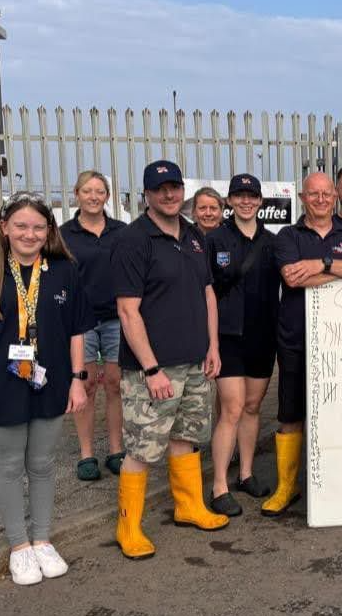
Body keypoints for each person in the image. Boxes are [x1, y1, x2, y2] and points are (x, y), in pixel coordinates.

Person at [0, 192, 94, 585]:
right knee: (9, 466)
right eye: (20, 226)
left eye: (37, 227)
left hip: (51, 381)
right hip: (0, 384)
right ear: (4, 228)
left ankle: (42, 539)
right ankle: (19, 545)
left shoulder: (65, 272)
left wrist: (78, 380)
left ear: (49, 231)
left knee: (43, 464)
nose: (29, 234)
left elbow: (77, 332)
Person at [111, 160, 227, 560]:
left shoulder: (194, 236)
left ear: (182, 190)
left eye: (174, 187)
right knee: (142, 448)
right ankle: (128, 526)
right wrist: (151, 369)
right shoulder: (133, 240)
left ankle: (189, 507)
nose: (169, 194)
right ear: (147, 194)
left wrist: (212, 347)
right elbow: (127, 311)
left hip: (196, 362)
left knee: (185, 438)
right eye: (160, 189)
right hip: (154, 370)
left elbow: (207, 293)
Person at [263, 172, 342, 517]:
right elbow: (293, 279)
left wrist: (322, 264)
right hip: (296, 337)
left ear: (335, 197)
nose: (322, 200)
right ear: (302, 197)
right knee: (291, 413)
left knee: (341, 413)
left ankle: (341, 486)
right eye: (314, 194)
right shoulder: (287, 236)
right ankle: (287, 487)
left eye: (327, 194)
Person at [205, 173, 280, 517]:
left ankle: (246, 474)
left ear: (260, 201)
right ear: (230, 200)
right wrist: (210, 343)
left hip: (263, 336)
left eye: (252, 196)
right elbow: (205, 291)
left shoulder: (273, 242)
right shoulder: (215, 240)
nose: (246, 201)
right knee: (232, 409)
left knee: (252, 407)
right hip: (228, 337)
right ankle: (219, 485)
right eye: (240, 196)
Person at [60, 171, 128, 481]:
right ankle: (87, 454)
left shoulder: (122, 232)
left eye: (100, 191)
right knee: (85, 386)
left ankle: (116, 450)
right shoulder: (64, 234)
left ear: (107, 196)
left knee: (115, 383)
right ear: (77, 194)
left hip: (116, 318)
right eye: (87, 191)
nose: (93, 196)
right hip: (81, 322)